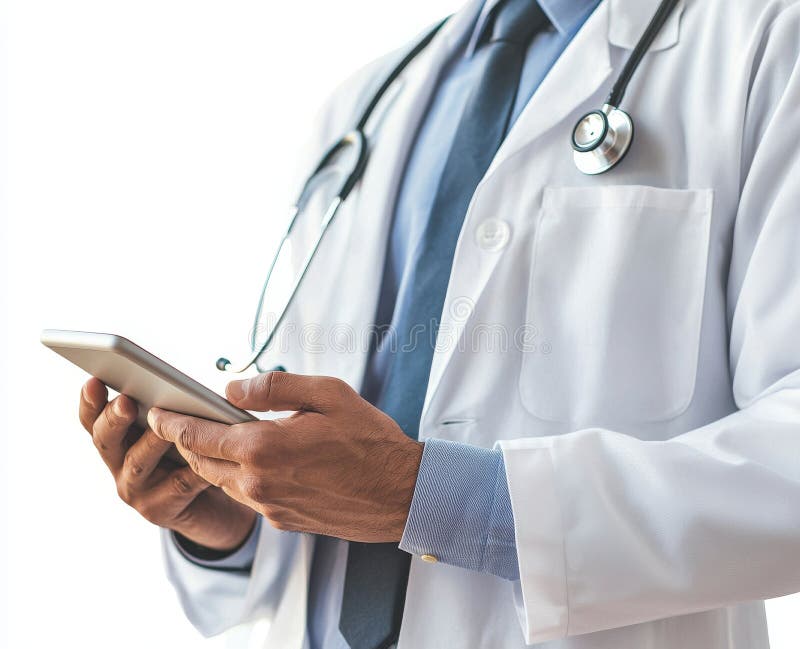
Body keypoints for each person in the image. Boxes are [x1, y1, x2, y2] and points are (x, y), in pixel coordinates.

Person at [76, 0, 800, 647]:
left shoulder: (764, 42)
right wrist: (228, 525)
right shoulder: (369, 103)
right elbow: (325, 461)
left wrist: (436, 499)